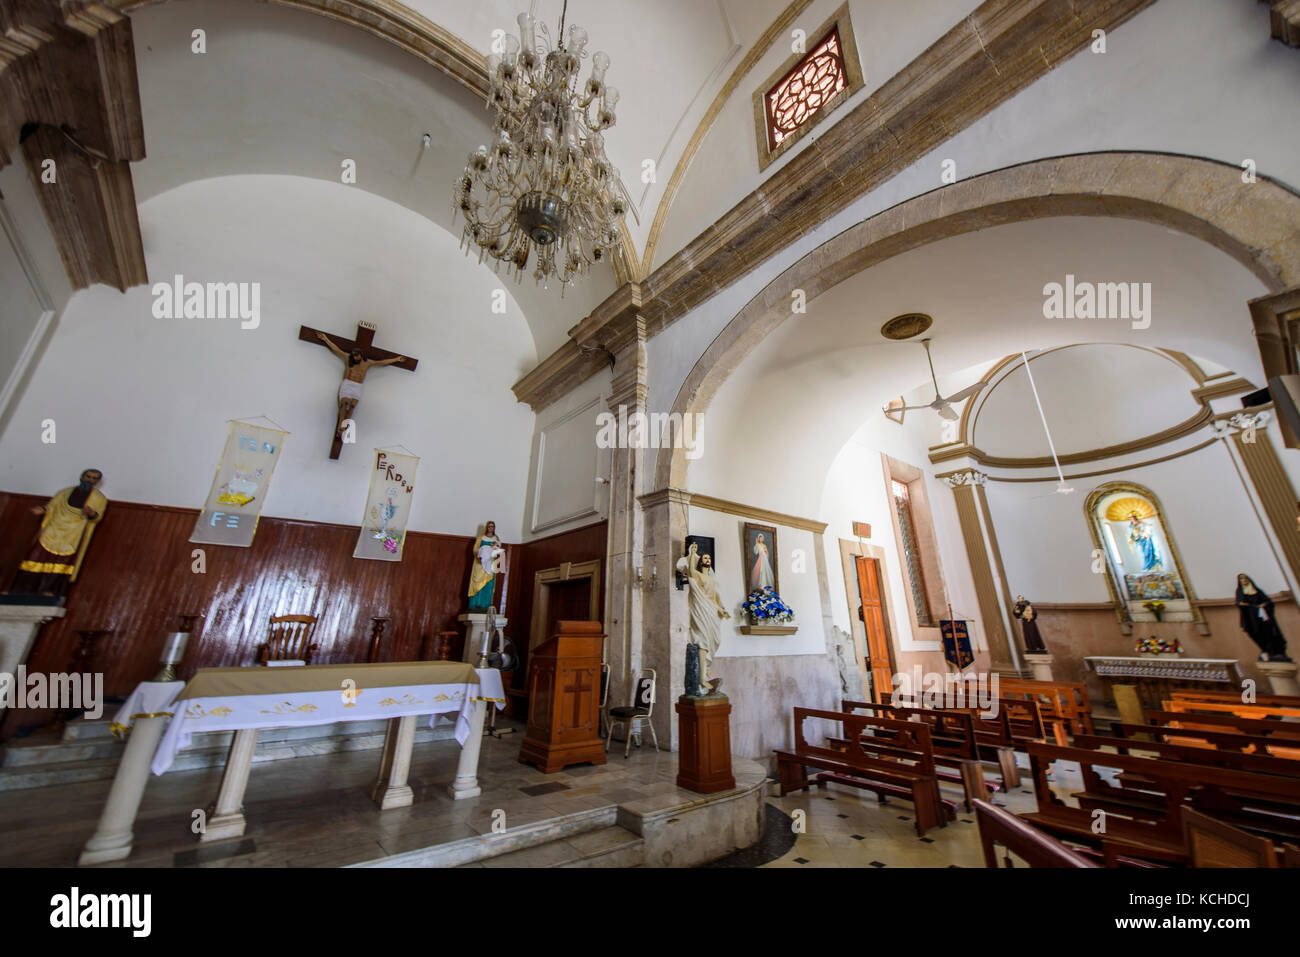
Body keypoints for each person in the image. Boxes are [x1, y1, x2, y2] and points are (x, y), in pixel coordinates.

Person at [7, 469, 107, 598]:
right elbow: (52, 506)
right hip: (54, 528)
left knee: (62, 562)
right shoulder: (64, 493)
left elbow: (97, 517)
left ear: (98, 481)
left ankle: (49, 590)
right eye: (88, 477)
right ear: (82, 477)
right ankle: (19, 590)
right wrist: (43, 509)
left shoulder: (99, 499)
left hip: (73, 533)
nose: (90, 480)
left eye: (94, 478)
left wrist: (91, 513)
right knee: (35, 556)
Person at [315, 331, 406, 439]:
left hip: (358, 386)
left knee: (352, 406)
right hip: (348, 384)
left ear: (361, 355)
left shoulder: (367, 363)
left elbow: (382, 362)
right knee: (344, 404)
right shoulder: (348, 359)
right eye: (354, 356)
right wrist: (325, 339)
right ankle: (340, 425)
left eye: (357, 356)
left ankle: (345, 426)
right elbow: (336, 349)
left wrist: (396, 359)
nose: (355, 358)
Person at [1235, 573, 1291, 661]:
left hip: (1263, 617)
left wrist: (1263, 605)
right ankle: (1265, 650)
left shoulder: (1257, 590)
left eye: (1245, 578)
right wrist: (1251, 607)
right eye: (1241, 579)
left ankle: (1276, 652)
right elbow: (1240, 603)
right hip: (1252, 619)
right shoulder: (1240, 591)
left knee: (1270, 632)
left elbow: (1268, 601)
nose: (1244, 580)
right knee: (1256, 634)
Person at [467, 520, 503, 612]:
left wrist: (493, 550)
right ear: (487, 527)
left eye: (492, 526)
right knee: (478, 583)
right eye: (489, 526)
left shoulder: (496, 538)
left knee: (488, 583)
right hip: (480, 565)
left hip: (490, 564)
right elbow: (475, 550)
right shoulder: (481, 538)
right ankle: (475, 604)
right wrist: (482, 553)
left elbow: (498, 549)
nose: (491, 528)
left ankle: (486, 604)